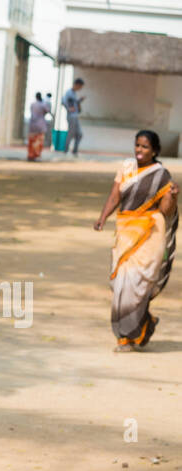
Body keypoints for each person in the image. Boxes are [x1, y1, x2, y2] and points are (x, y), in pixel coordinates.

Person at [94, 130, 178, 351]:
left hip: (150, 234)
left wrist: (173, 196)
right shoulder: (126, 168)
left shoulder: (161, 176)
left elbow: (166, 211)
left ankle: (126, 337)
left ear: (155, 151)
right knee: (121, 284)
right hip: (126, 232)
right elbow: (115, 196)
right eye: (137, 145)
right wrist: (103, 217)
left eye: (145, 147)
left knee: (138, 285)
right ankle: (143, 325)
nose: (139, 150)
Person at [63, 78, 86, 156]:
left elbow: (75, 103)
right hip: (71, 116)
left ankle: (75, 151)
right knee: (71, 133)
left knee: (79, 134)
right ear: (77, 85)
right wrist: (68, 108)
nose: (80, 88)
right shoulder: (69, 92)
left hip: (75, 116)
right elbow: (64, 101)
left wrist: (79, 101)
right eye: (80, 86)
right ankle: (65, 151)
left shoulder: (74, 93)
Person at [27, 93, 49, 161]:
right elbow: (47, 111)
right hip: (40, 124)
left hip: (32, 124)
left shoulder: (32, 104)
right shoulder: (43, 104)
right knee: (39, 141)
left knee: (32, 140)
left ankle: (30, 155)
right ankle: (37, 155)